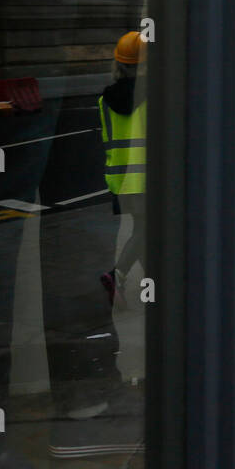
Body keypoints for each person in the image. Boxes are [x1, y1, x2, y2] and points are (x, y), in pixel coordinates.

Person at [100, 32, 148, 306]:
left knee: (142, 230)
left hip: (119, 180)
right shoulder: (152, 96)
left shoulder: (103, 101)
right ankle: (116, 275)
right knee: (145, 232)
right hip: (146, 178)